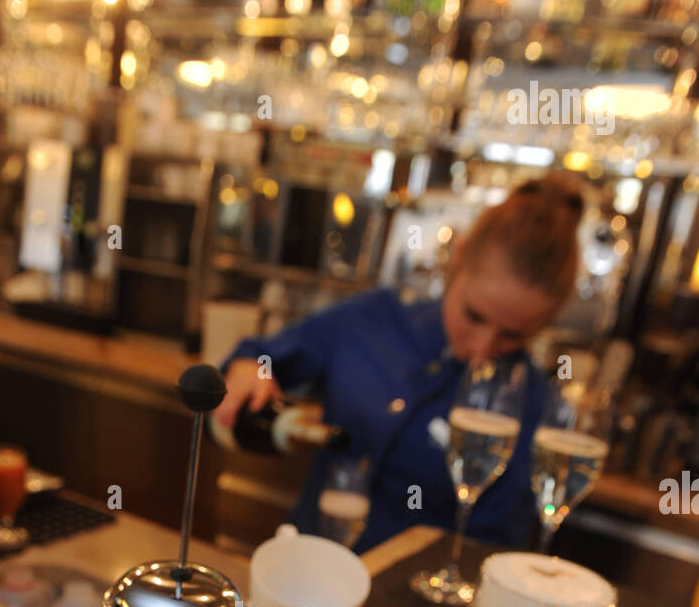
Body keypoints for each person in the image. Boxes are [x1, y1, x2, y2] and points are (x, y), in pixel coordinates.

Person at [213, 173, 585, 552]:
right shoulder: (374, 319)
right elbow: (262, 356)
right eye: (473, 316)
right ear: (458, 262)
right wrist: (249, 370)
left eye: (514, 335)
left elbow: (488, 551)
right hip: (305, 566)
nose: (483, 348)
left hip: (406, 601)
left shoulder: (535, 408)